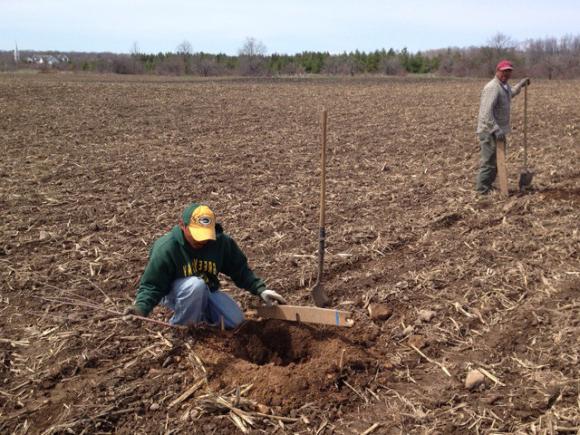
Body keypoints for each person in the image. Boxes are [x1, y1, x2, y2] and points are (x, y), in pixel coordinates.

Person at [125, 203, 286, 328]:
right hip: (176, 292)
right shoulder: (167, 248)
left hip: (206, 289)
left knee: (235, 322)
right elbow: (152, 285)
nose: (201, 241)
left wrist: (260, 289)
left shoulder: (220, 242)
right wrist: (140, 309)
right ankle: (184, 328)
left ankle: (202, 318)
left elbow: (240, 270)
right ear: (182, 225)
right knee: (195, 285)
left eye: (205, 235)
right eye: (196, 235)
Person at [476, 60, 530, 194]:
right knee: (489, 162)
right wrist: (495, 128)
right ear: (498, 71)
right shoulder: (493, 87)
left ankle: (489, 186)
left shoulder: (503, 86)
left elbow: (510, 93)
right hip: (489, 131)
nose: (506, 74)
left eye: (508, 72)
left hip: (498, 131)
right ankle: (482, 191)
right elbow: (486, 113)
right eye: (504, 71)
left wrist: (521, 85)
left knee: (497, 161)